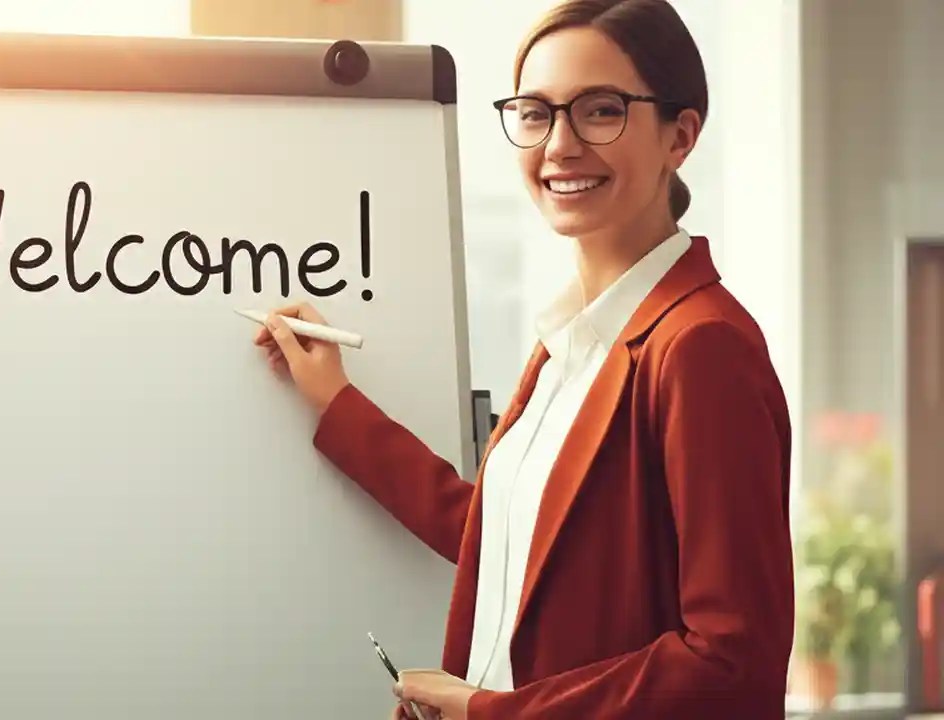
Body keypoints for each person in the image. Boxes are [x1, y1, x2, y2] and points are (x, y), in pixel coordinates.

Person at [253, 0, 795, 718]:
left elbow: (734, 662)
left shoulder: (699, 346)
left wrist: (490, 712)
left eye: (601, 110)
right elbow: (505, 536)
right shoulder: (568, 341)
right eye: (536, 114)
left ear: (681, 136)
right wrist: (338, 404)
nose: (560, 145)